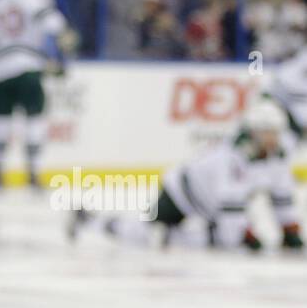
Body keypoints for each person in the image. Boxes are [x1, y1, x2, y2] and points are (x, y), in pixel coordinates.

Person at [70, 99, 301, 251]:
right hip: (181, 192)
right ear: (254, 133)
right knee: (145, 232)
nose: (272, 138)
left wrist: (290, 229)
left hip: (210, 201)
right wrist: (245, 236)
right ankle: (93, 222)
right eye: (266, 132)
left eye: (275, 132)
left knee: (219, 237)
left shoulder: (277, 156)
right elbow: (231, 211)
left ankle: (172, 236)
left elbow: (282, 196)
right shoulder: (235, 157)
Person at [0, 0, 73, 189]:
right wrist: (60, 55)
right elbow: (55, 26)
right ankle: (33, 173)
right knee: (34, 120)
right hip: (29, 66)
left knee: (1, 122)